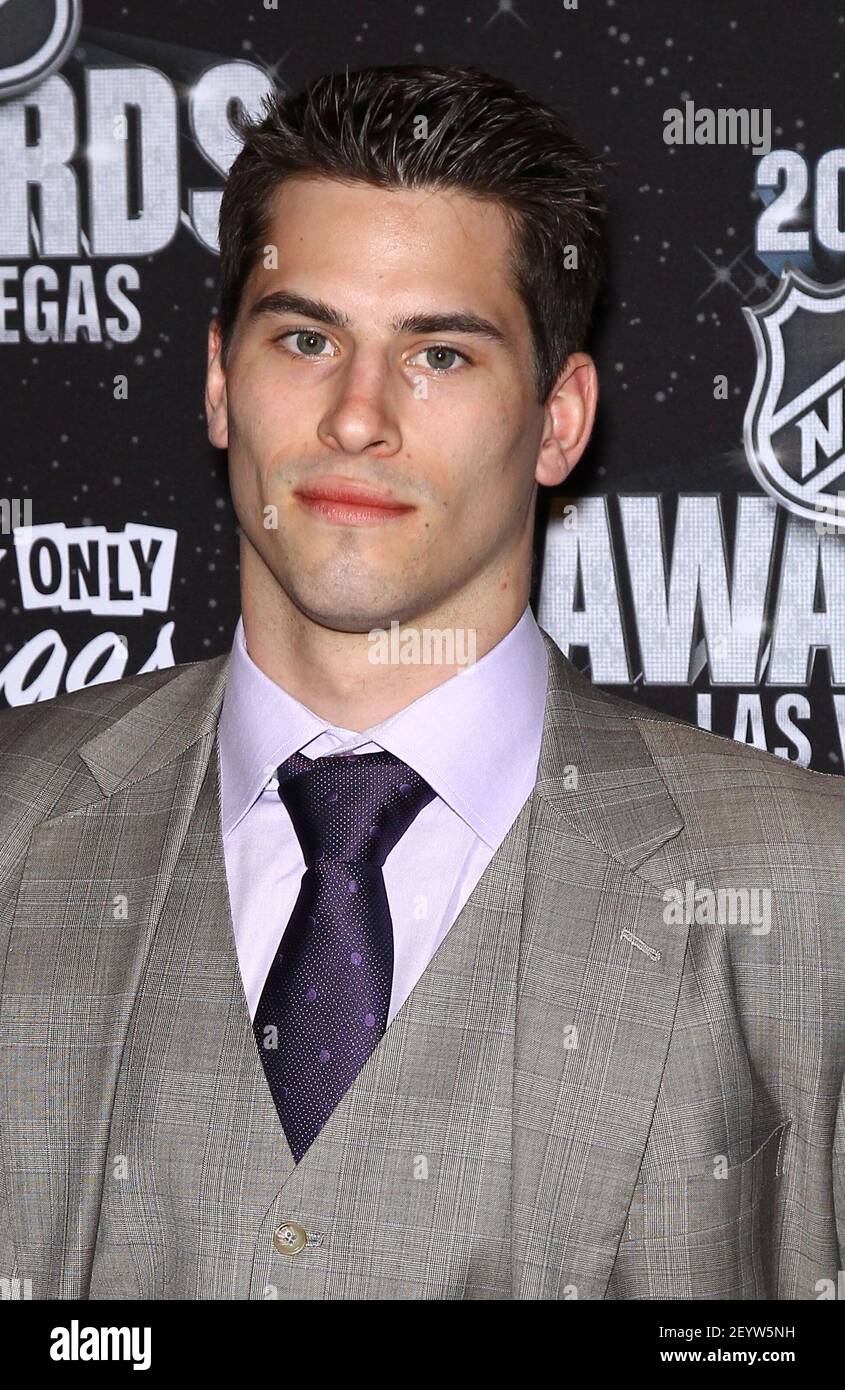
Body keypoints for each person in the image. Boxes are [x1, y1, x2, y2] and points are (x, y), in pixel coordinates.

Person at [0, 63, 843, 1302]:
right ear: (220, 383)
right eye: (304, 337)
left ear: (559, 422)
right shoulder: (16, 824)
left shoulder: (807, 886)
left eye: (439, 355)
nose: (355, 417)